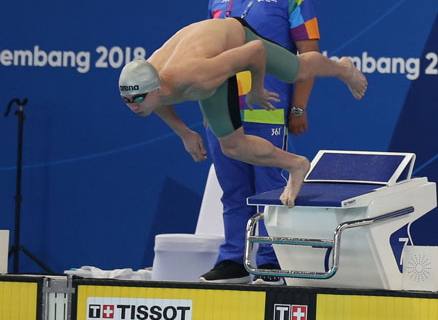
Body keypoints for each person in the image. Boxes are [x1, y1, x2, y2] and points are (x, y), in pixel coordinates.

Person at [118, 17, 367, 213]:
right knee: (233, 147)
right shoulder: (151, 86)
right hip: (199, 53)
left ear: (157, 88)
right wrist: (184, 133)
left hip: (234, 38)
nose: (133, 106)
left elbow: (255, 51)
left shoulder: (198, 76)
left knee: (295, 71)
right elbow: (157, 101)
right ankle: (297, 164)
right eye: (126, 100)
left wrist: (256, 91)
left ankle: (343, 69)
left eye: (138, 98)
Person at [199, 0, 323, 284]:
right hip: (223, 110)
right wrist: (207, 105)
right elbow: (207, 52)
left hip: (268, 108)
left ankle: (268, 260)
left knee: (269, 189)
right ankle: (234, 258)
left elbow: (309, 55)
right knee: (233, 189)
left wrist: (298, 107)